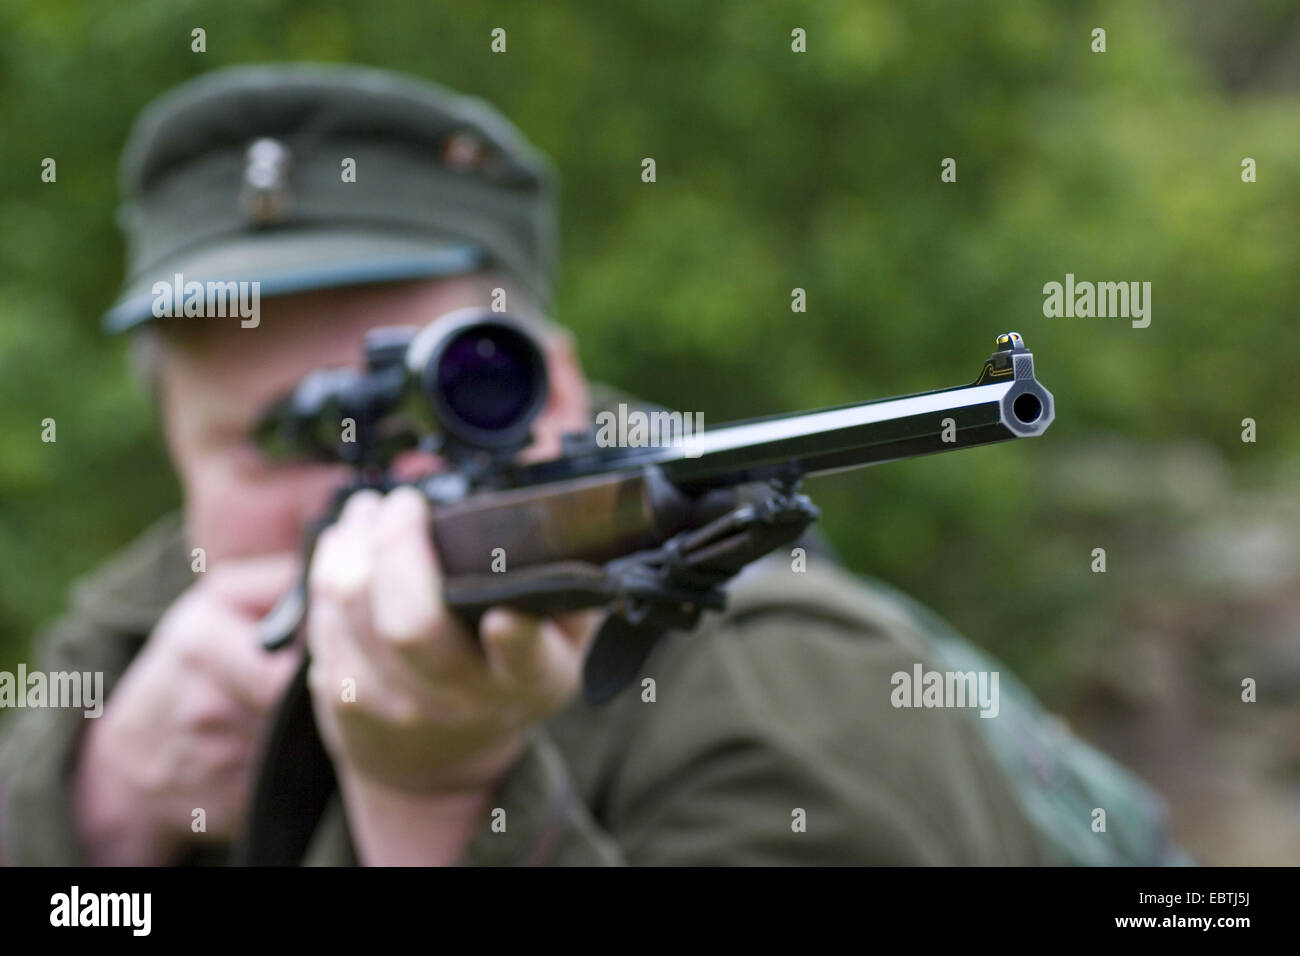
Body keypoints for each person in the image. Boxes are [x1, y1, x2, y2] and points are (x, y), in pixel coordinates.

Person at [0, 63, 1181, 866]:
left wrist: (441, 798)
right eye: (276, 437)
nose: (346, 488)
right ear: (177, 451)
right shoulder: (144, 633)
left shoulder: (808, 700)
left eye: (430, 398)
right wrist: (99, 808)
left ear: (547, 387)